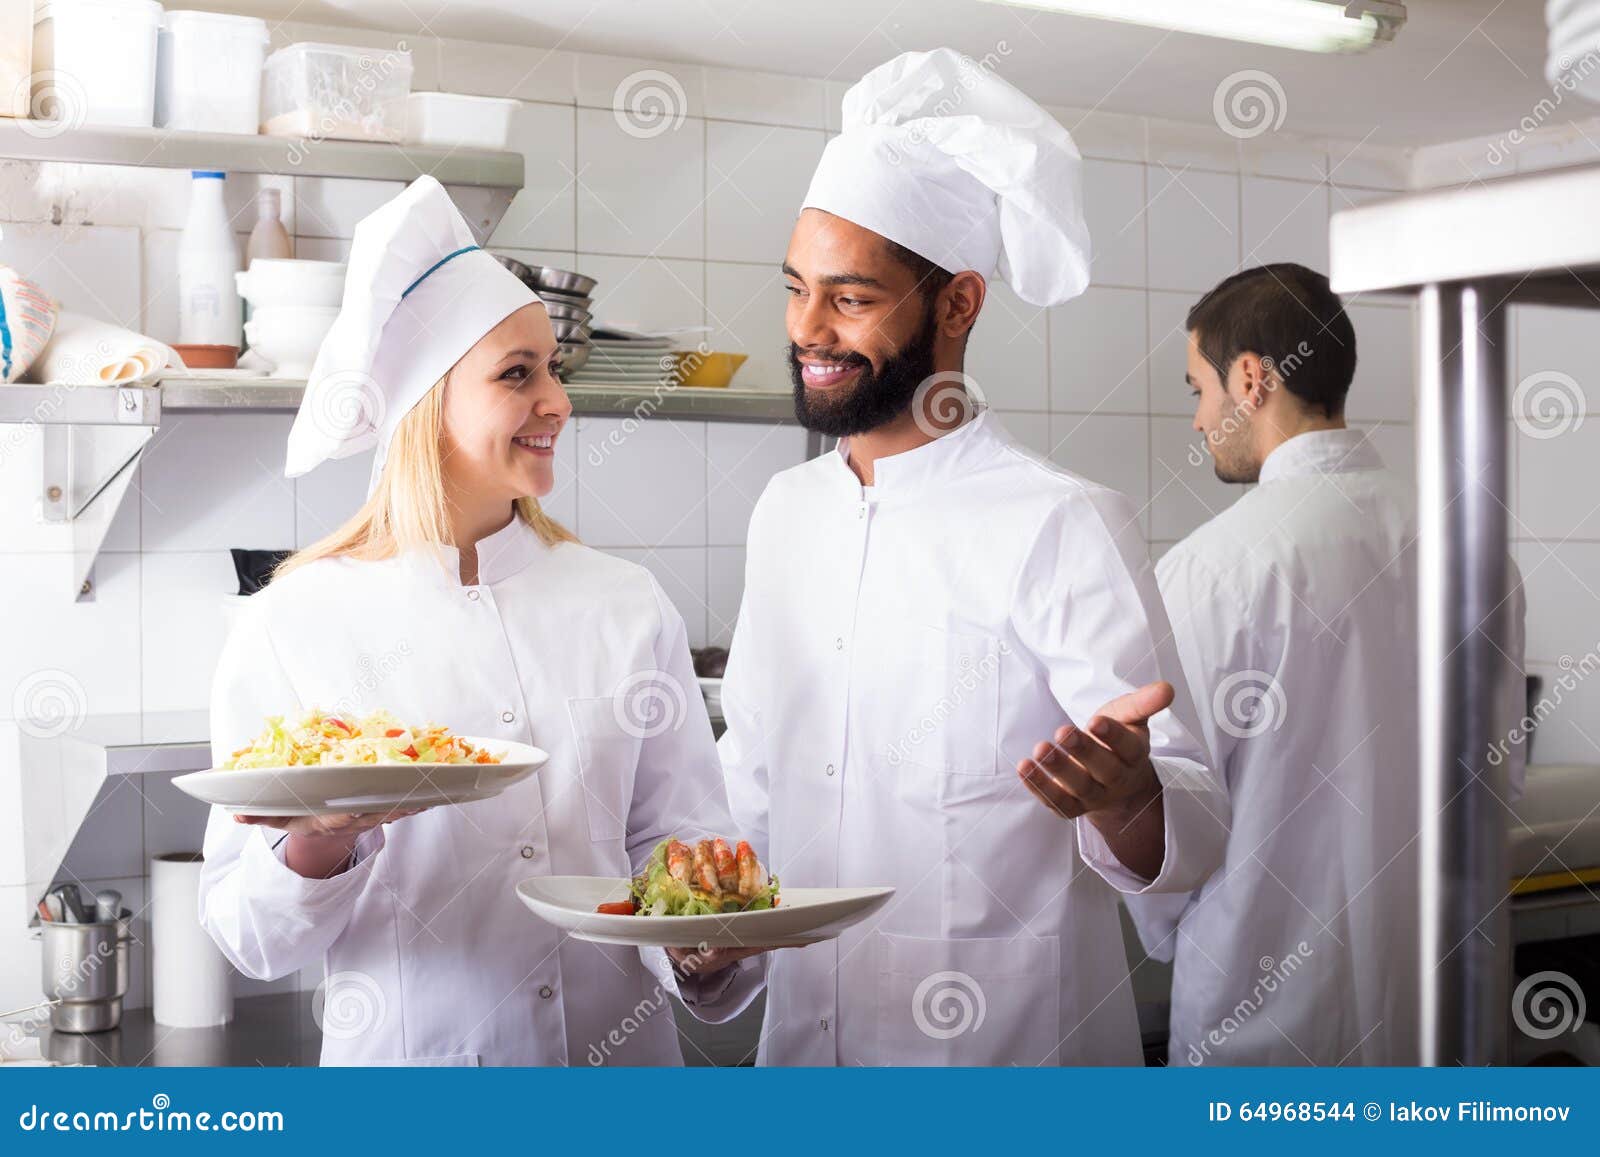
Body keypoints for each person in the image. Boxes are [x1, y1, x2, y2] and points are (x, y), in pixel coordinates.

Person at [697, 48, 1230, 1066]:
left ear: (957, 304)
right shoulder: (784, 513)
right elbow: (753, 780)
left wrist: (1128, 797)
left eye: (849, 297)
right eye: (796, 289)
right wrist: (707, 939)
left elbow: (1191, 807)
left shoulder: (1058, 521)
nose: (806, 328)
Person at [199, 176, 758, 1066]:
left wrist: (707, 949)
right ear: (429, 405)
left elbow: (675, 844)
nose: (560, 402)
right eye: (517, 374)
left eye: (554, 370)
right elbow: (251, 938)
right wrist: (320, 841)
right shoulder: (294, 621)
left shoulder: (623, 603)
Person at [1128, 263, 1524, 1065]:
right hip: (1448, 1022)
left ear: (1250, 378)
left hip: (1268, 1040)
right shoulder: (1474, 548)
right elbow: (1501, 779)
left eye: (1197, 388)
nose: (1201, 420)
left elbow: (1174, 829)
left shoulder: (1212, 570)